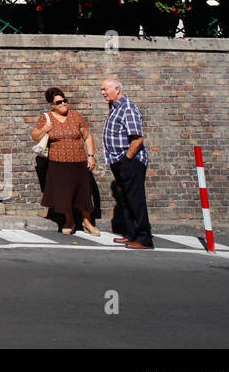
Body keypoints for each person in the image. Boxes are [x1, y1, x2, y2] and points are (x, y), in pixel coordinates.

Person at [30, 87, 99, 236]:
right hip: (58, 163)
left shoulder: (75, 116)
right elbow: (35, 136)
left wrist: (91, 156)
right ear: (52, 105)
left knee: (84, 194)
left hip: (79, 161)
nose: (63, 104)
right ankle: (70, 221)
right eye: (59, 102)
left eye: (64, 101)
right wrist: (45, 129)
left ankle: (87, 222)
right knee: (64, 195)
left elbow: (87, 137)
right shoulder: (46, 118)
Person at [101, 78, 153, 250]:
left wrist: (127, 158)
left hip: (130, 162)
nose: (103, 93)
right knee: (126, 199)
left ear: (117, 89)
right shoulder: (116, 108)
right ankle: (131, 234)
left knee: (135, 199)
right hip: (120, 161)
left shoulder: (128, 108)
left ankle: (144, 238)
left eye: (105, 89)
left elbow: (137, 138)